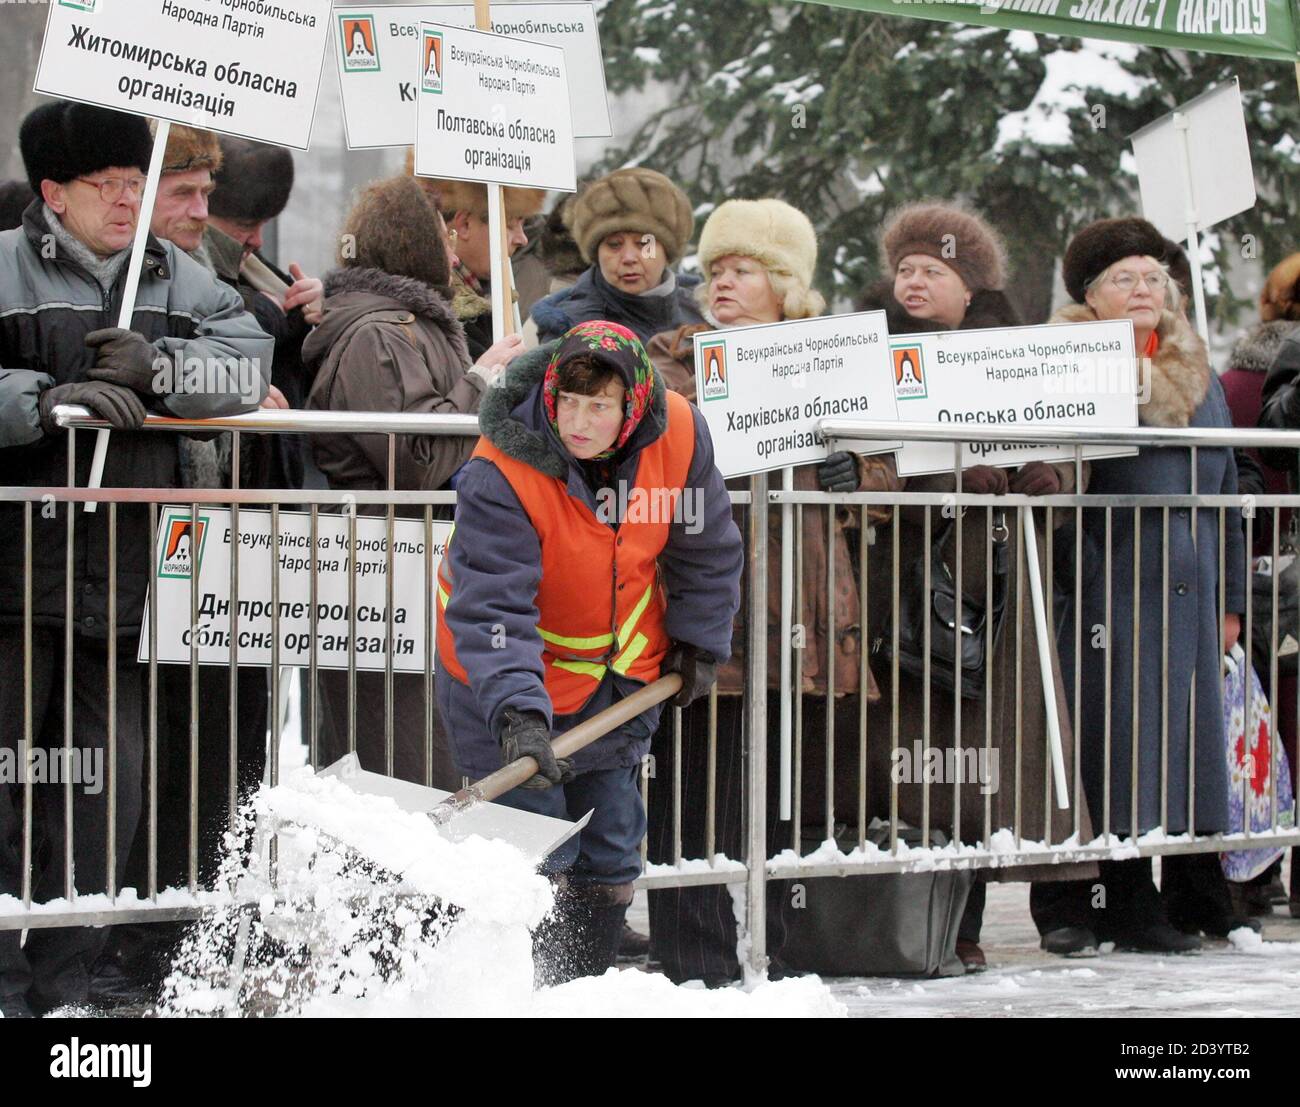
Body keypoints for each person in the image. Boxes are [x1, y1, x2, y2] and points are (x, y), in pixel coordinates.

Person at [0, 101, 270, 1017]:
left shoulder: (178, 278)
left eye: (135, 185)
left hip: (123, 586)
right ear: (52, 193)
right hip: (14, 583)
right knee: (10, 782)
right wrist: (44, 401)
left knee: (102, 794)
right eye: (108, 187)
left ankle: (68, 974)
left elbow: (246, 366)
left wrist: (156, 368)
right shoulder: (3, 265)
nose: (128, 202)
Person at [435, 320, 742, 983]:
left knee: (608, 846)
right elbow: (494, 606)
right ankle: (516, 988)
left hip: (616, 681)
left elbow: (708, 549)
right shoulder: (503, 469)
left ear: (630, 405)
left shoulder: (679, 437)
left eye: (598, 405)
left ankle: (582, 986)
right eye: (567, 402)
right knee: (531, 848)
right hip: (502, 680)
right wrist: (517, 713)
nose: (578, 422)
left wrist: (698, 642)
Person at [645, 197, 900, 984]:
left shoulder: (831, 360)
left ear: (787, 285)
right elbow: (641, 439)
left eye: (742, 269)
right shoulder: (671, 355)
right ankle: (697, 951)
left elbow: (891, 472)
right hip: (708, 600)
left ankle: (784, 951)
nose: (720, 282)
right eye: (714, 268)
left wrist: (855, 472)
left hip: (808, 602)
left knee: (793, 790)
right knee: (696, 785)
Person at [855, 201, 1092, 970]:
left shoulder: (1015, 357)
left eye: (932, 269)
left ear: (969, 286)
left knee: (974, 754)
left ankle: (965, 920)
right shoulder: (868, 351)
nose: (913, 281)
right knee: (904, 756)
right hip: (897, 577)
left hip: (984, 585)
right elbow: (861, 455)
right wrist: (944, 475)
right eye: (904, 269)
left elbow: (1073, 436)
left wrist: (1046, 475)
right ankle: (901, 916)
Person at [1032, 216, 1245, 954]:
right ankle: (1102, 897)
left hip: (1187, 596)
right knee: (1109, 745)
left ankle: (1186, 888)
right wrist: (1085, 576)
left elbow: (1227, 496)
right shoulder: (1067, 361)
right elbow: (1056, 477)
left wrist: (1230, 601)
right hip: (1107, 596)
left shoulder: (1195, 373)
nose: (1144, 288)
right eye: (1123, 278)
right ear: (1090, 297)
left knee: (1180, 747)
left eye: (1154, 277)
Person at [303, 175, 522, 788]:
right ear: (411, 248)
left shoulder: (406, 324)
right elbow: (416, 456)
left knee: (429, 743)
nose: (455, 253)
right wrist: (481, 382)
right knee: (400, 754)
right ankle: (397, 881)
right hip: (384, 565)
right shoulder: (379, 333)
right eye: (442, 239)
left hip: (417, 562)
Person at [529, 168, 705, 346]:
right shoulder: (570, 329)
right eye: (614, 245)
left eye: (644, 244)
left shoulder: (703, 313)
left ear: (667, 251)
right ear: (596, 253)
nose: (628, 258)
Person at [406, 153, 546, 361]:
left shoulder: (492, 294)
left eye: (523, 224)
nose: (522, 239)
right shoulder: (437, 311)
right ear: (464, 225)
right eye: (509, 224)